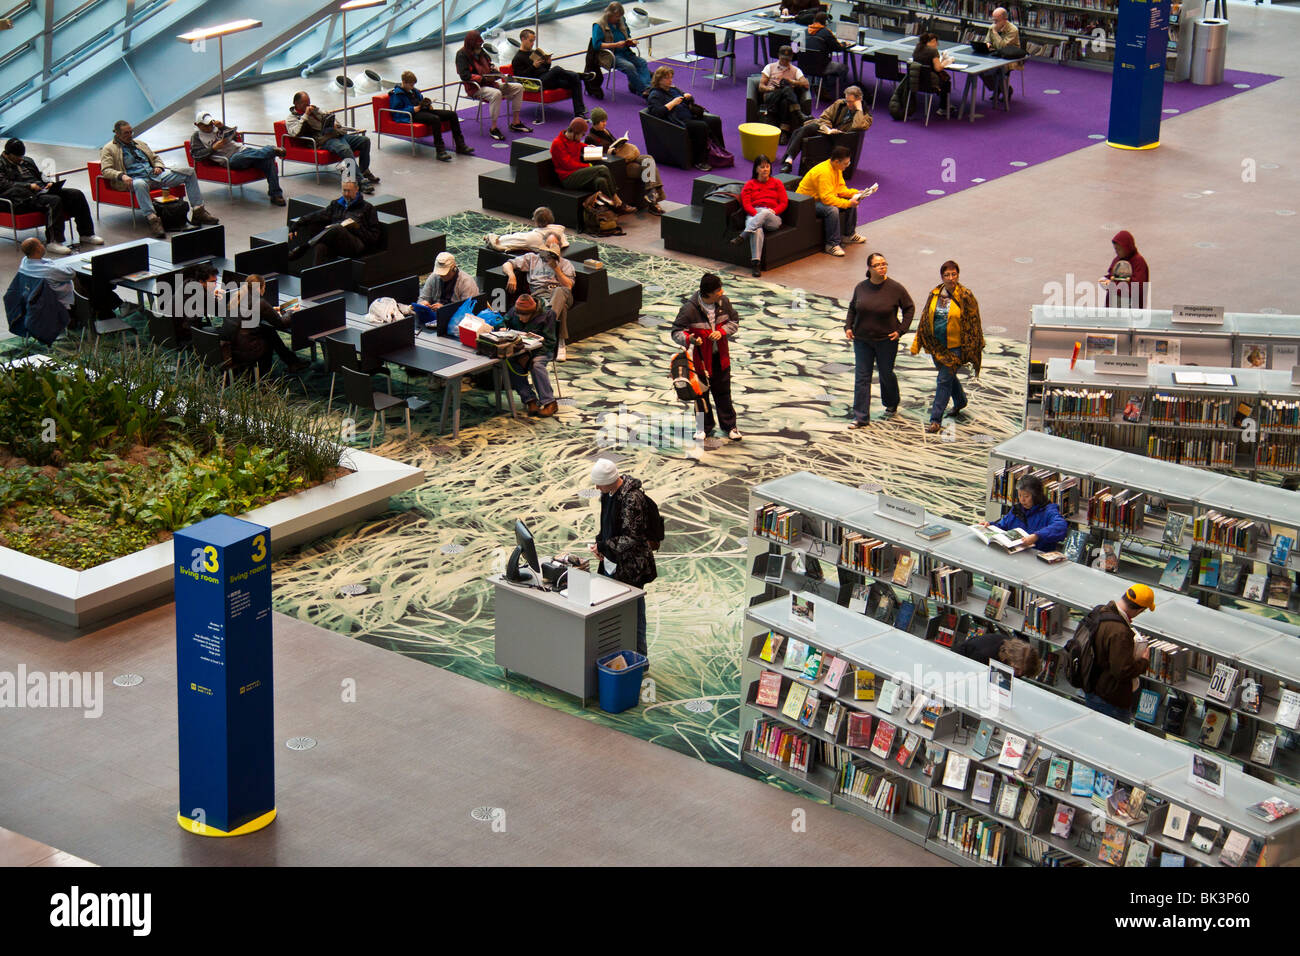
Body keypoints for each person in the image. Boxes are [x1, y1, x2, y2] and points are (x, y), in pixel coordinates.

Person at [100, 120, 219, 238]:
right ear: (117, 133)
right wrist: (122, 176)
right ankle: (153, 220)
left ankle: (198, 211)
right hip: (135, 179)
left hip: (155, 176)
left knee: (189, 172)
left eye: (131, 132)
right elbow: (106, 170)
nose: (130, 135)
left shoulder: (140, 143)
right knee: (140, 184)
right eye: (126, 133)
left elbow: (156, 158)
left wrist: (158, 166)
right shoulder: (109, 149)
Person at [589, 457, 658, 657]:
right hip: (613, 562)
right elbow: (607, 525)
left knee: (634, 617)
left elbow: (632, 538)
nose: (596, 487)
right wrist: (600, 545)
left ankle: (640, 659)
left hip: (631, 568)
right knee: (613, 613)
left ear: (609, 481)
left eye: (598, 483)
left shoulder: (631, 499)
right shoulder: (608, 494)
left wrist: (605, 545)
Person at [910, 259, 985, 433]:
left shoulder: (966, 295)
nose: (951, 278)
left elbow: (974, 322)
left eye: (954, 274)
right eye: (947, 275)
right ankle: (960, 402)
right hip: (936, 346)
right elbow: (924, 319)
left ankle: (935, 419)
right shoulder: (935, 294)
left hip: (956, 348)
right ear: (942, 276)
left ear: (958, 275)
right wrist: (917, 343)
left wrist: (975, 346)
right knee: (948, 378)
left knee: (943, 380)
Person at [845, 252, 914, 427]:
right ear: (869, 268)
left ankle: (891, 402)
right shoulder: (860, 287)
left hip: (886, 340)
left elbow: (909, 308)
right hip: (862, 340)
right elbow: (853, 308)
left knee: (886, 373)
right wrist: (847, 326)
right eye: (878, 265)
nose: (882, 267)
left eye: (884, 264)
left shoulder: (895, 288)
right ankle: (861, 417)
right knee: (862, 377)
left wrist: (901, 330)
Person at [671, 273, 742, 442]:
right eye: (718, 290)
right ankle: (703, 427)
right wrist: (690, 339)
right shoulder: (689, 309)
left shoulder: (724, 302)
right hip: (701, 360)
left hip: (721, 357)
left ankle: (730, 426)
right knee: (700, 395)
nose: (722, 292)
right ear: (708, 293)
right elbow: (676, 332)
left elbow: (734, 321)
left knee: (724, 393)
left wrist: (722, 332)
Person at [0, 139, 102, 254]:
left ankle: (86, 233)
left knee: (76, 194)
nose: (21, 159)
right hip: (20, 198)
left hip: (40, 191)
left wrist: (49, 182)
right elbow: (3, 184)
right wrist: (28, 186)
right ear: (7, 154)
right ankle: (53, 241)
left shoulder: (27, 161)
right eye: (17, 156)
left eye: (22, 156)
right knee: (53, 201)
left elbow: (40, 175)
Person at [1082, 585, 1156, 721]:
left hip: (1091, 686)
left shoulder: (1100, 610)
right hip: (1109, 699)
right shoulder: (1121, 632)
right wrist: (1143, 661)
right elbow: (1122, 671)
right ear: (1139, 609)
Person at [286, 92, 379, 192]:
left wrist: (334, 123)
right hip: (322, 141)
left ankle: (363, 170)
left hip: (335, 134)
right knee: (345, 150)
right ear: (296, 104)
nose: (308, 106)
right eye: (305, 104)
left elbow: (330, 116)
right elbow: (295, 133)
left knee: (364, 141)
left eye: (309, 102)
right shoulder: (291, 119)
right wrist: (306, 115)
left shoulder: (315, 110)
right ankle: (359, 181)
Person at [190, 111, 286, 206]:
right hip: (230, 159)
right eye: (206, 126)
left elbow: (236, 137)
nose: (210, 127)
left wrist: (223, 127)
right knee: (242, 157)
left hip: (243, 150)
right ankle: (271, 150)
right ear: (197, 125)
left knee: (268, 161)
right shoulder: (196, 137)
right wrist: (213, 148)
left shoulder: (217, 128)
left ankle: (276, 194)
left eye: (211, 124)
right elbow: (196, 156)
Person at [585, 108, 664, 215]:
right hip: (620, 164)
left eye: (605, 120)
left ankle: (651, 194)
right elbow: (597, 157)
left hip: (626, 157)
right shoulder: (590, 138)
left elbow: (614, 143)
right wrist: (609, 152)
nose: (605, 123)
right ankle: (653, 201)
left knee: (648, 159)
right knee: (647, 168)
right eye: (602, 121)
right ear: (595, 122)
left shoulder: (606, 131)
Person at [226, 275, 310, 373]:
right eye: (264, 287)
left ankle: (292, 362)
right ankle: (275, 371)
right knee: (269, 334)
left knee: (267, 329)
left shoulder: (237, 296)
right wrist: (290, 312)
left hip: (231, 345)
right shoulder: (259, 302)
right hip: (248, 350)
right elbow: (282, 323)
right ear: (260, 288)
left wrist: (272, 310)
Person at [504, 246, 576, 361]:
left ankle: (547, 323)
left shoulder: (565, 263)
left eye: (551, 254)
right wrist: (511, 276)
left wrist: (556, 268)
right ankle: (560, 342)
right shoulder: (532, 258)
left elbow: (568, 286)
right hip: (539, 294)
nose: (547, 256)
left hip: (561, 293)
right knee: (561, 309)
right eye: (546, 253)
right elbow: (507, 264)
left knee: (559, 291)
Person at [457, 30, 529, 142]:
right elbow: (465, 75)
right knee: (496, 93)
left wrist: (494, 70)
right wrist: (483, 78)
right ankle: (493, 128)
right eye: (478, 45)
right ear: (471, 44)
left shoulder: (481, 52)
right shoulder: (461, 55)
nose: (480, 46)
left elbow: (489, 63)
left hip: (491, 83)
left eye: (480, 44)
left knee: (518, 87)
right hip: (475, 87)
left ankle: (516, 122)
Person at [287, 179, 380, 266]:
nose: (346, 194)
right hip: (337, 242)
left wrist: (357, 228)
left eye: (349, 191)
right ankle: (316, 278)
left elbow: (374, 237)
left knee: (337, 228)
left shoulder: (368, 208)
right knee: (321, 247)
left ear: (357, 189)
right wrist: (298, 223)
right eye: (344, 190)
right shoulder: (336, 204)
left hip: (356, 245)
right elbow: (317, 215)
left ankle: (303, 248)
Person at [549, 117, 634, 213]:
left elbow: (578, 145)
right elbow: (568, 164)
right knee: (602, 169)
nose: (582, 137)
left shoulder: (573, 140)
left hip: (578, 174)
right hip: (568, 178)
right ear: (575, 133)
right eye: (582, 135)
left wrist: (587, 146)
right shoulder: (557, 144)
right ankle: (617, 200)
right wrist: (588, 166)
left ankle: (613, 208)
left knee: (601, 181)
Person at [780, 85, 871, 173]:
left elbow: (857, 126)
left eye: (851, 101)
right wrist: (828, 129)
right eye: (847, 100)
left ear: (859, 100)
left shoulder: (866, 116)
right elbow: (824, 117)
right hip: (828, 132)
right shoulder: (840, 104)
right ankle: (789, 161)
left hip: (841, 139)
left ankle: (788, 161)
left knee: (800, 131)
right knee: (804, 129)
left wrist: (859, 109)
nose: (848, 104)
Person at [387, 71, 474, 162]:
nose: (412, 87)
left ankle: (460, 145)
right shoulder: (396, 94)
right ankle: (440, 150)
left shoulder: (414, 91)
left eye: (413, 85)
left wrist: (427, 104)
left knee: (452, 114)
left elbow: (421, 100)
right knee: (435, 119)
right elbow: (396, 112)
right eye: (411, 85)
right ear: (404, 82)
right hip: (411, 115)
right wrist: (412, 109)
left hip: (422, 110)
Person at [796, 144, 866, 256]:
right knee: (832, 210)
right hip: (807, 202)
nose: (847, 166)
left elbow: (840, 188)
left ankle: (849, 235)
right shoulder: (824, 172)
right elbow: (827, 199)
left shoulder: (837, 168)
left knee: (851, 200)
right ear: (837, 161)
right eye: (846, 163)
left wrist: (855, 193)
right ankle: (831, 245)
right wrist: (848, 203)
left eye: (848, 163)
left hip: (820, 198)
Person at [513, 29, 593, 119]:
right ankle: (581, 75)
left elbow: (544, 69)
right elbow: (520, 78)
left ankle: (579, 112)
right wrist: (533, 66)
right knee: (557, 69)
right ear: (523, 39)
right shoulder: (517, 58)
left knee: (574, 80)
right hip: (536, 83)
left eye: (533, 41)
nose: (532, 44)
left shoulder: (533, 53)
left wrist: (547, 63)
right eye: (531, 41)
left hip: (547, 78)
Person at [5, 237, 75, 340]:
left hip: (32, 303)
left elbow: (48, 264)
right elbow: (71, 273)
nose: (43, 245)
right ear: (38, 249)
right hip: (53, 304)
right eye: (41, 244)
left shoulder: (24, 263)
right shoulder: (49, 271)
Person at [646, 67, 713, 172]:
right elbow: (657, 113)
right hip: (676, 122)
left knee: (714, 121)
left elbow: (686, 100)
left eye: (671, 77)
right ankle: (699, 161)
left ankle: (717, 152)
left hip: (688, 115)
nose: (670, 80)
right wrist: (672, 103)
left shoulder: (672, 89)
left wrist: (688, 97)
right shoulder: (655, 95)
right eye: (667, 78)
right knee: (701, 126)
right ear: (659, 79)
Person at [502, 293, 558, 417]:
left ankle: (550, 402)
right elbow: (504, 322)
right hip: (521, 351)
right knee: (510, 363)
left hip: (542, 351)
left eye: (524, 315)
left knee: (536, 365)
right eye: (518, 315)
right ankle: (530, 400)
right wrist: (501, 328)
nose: (520, 318)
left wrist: (530, 356)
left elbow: (550, 342)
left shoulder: (548, 315)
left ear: (532, 312)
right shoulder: (515, 311)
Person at [732, 155, 787, 277]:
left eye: (767, 166)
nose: (765, 169)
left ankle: (743, 235)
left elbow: (784, 202)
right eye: (762, 167)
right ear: (756, 169)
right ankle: (756, 264)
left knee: (765, 212)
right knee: (757, 230)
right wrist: (757, 215)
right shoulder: (749, 185)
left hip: (773, 216)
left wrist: (774, 211)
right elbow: (746, 205)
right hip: (754, 214)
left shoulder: (777, 183)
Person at [980, 474, 1068, 551]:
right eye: (1019, 495)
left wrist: (1036, 536)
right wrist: (990, 526)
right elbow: (1002, 526)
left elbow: (1061, 526)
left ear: (1036, 496)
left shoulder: (1048, 510)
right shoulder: (1017, 510)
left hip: (1037, 557)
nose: (1022, 500)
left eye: (1026, 496)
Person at [592, 2, 652, 96]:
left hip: (625, 52)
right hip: (611, 54)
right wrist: (615, 45)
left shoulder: (621, 20)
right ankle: (643, 90)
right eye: (616, 17)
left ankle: (647, 88)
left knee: (642, 62)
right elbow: (596, 45)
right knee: (629, 67)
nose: (618, 19)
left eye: (620, 16)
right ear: (609, 14)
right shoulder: (599, 25)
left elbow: (628, 35)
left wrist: (631, 42)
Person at [759, 46, 811, 132]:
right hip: (771, 96)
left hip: (786, 99)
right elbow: (761, 87)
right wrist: (769, 88)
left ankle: (783, 131)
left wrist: (793, 82)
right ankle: (798, 113)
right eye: (783, 59)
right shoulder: (769, 67)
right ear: (779, 56)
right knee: (787, 89)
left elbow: (806, 84)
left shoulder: (796, 70)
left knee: (785, 102)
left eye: (787, 59)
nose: (785, 61)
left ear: (791, 58)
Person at [982, 7, 1024, 101]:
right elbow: (987, 41)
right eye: (993, 20)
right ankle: (999, 88)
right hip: (994, 55)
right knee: (981, 71)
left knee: (996, 70)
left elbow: (1003, 47)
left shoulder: (1013, 30)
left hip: (1009, 58)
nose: (994, 23)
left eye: (997, 21)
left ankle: (1004, 89)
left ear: (1005, 20)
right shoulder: (992, 27)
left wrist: (995, 33)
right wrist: (987, 44)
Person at [485, 206, 569, 253]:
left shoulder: (532, 237)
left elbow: (505, 241)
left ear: (536, 221)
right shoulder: (560, 232)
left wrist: (492, 237)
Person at [804, 12, 850, 97]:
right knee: (844, 68)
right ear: (825, 22)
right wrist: (844, 44)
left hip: (805, 64)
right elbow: (838, 48)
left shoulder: (806, 31)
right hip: (821, 66)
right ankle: (826, 88)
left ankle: (818, 85)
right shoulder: (826, 32)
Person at [1101, 230, 1149, 309]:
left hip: (1130, 309)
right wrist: (1104, 281)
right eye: (1115, 249)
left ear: (1127, 248)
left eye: (1119, 249)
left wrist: (1112, 286)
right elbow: (1111, 276)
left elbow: (1137, 288)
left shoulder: (1139, 263)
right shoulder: (1118, 259)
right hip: (1114, 306)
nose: (1116, 252)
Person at [957, 632, 1041, 678]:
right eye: (1017, 669)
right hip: (960, 664)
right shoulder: (983, 655)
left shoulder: (1018, 650)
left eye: (1023, 671)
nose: (1019, 673)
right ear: (1011, 658)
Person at [912, 33, 955, 119]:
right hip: (929, 81)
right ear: (932, 41)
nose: (937, 44)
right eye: (936, 42)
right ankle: (944, 108)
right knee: (946, 82)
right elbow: (938, 68)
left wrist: (941, 61)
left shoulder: (917, 48)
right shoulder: (933, 51)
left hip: (916, 79)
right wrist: (947, 62)